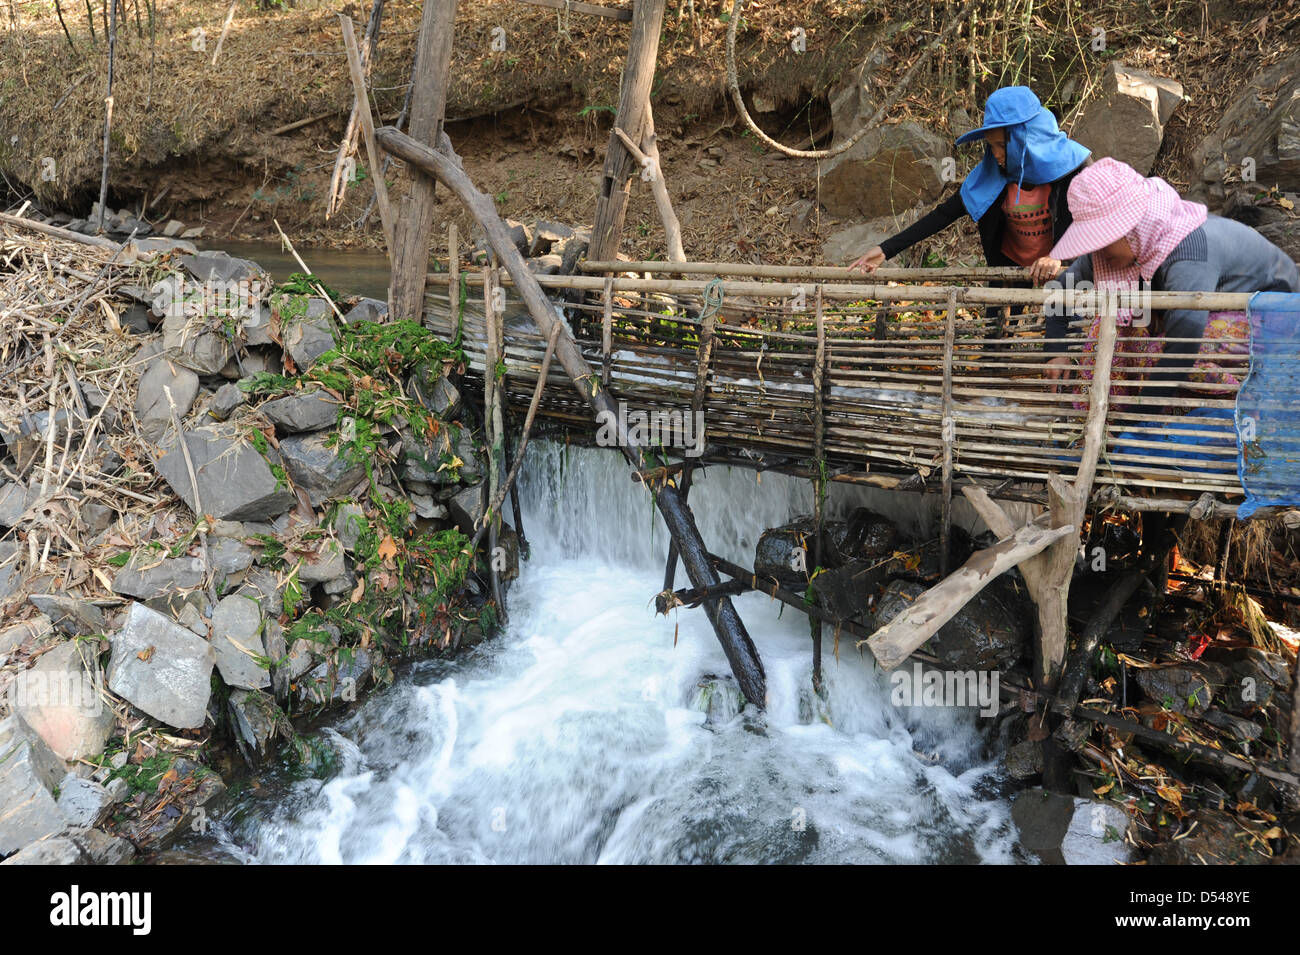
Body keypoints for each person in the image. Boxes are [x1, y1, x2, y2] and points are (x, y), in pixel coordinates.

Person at [1042, 157, 1300, 403]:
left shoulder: (1187, 251)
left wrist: (1142, 417)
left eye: (1101, 239)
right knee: (1110, 332)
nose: (1096, 249)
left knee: (1156, 351)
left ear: (1131, 230)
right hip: (1200, 320)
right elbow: (1058, 291)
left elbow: (1183, 343)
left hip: (1274, 318)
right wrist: (1056, 352)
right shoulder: (1107, 254)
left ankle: (1241, 400)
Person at [850, 86, 1090, 285]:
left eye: (1000, 145)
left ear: (1022, 139)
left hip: (1062, 266)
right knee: (995, 338)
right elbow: (944, 214)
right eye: (990, 146)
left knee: (1062, 331)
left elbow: (1094, 222)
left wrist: (1060, 256)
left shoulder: (1073, 168)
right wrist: (885, 249)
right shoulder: (992, 176)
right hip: (1010, 267)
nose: (995, 155)